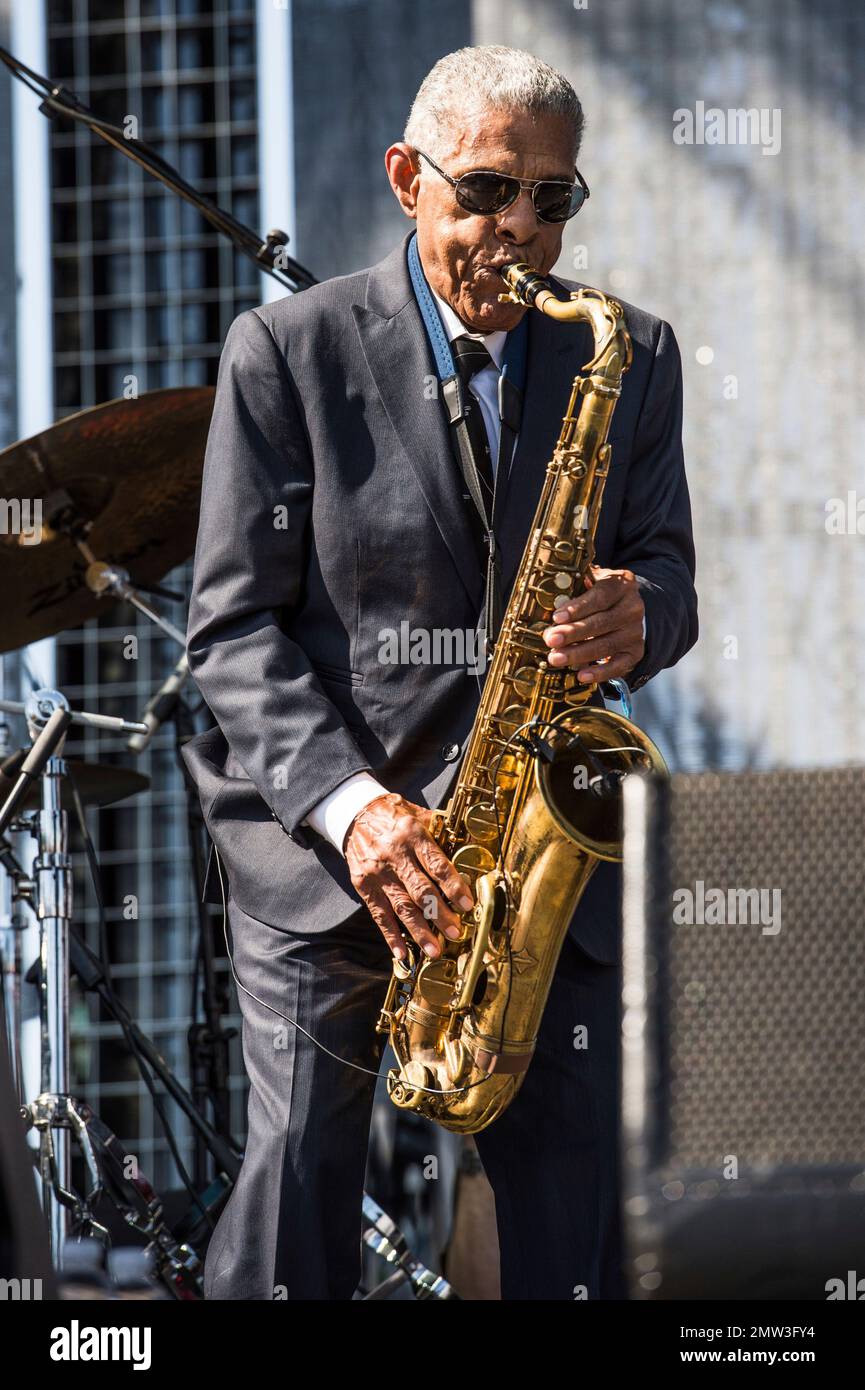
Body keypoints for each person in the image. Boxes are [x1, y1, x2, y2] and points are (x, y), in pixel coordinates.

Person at [182, 45, 697, 1300]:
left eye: (553, 199)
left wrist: (645, 613)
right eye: (486, 191)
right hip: (336, 863)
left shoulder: (626, 352)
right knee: (297, 1191)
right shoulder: (286, 352)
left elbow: (669, 580)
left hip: (531, 863)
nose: (520, 228)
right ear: (407, 177)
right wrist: (357, 815)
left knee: (573, 1232)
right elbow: (230, 632)